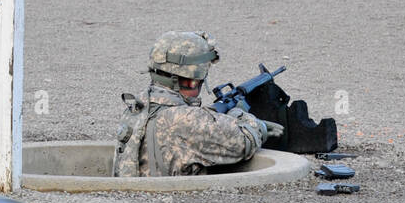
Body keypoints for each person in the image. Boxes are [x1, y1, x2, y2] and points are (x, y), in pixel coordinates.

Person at [112, 30, 283, 177]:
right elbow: (245, 140)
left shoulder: (138, 105)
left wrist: (210, 115)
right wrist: (240, 115)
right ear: (192, 82)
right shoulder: (187, 119)